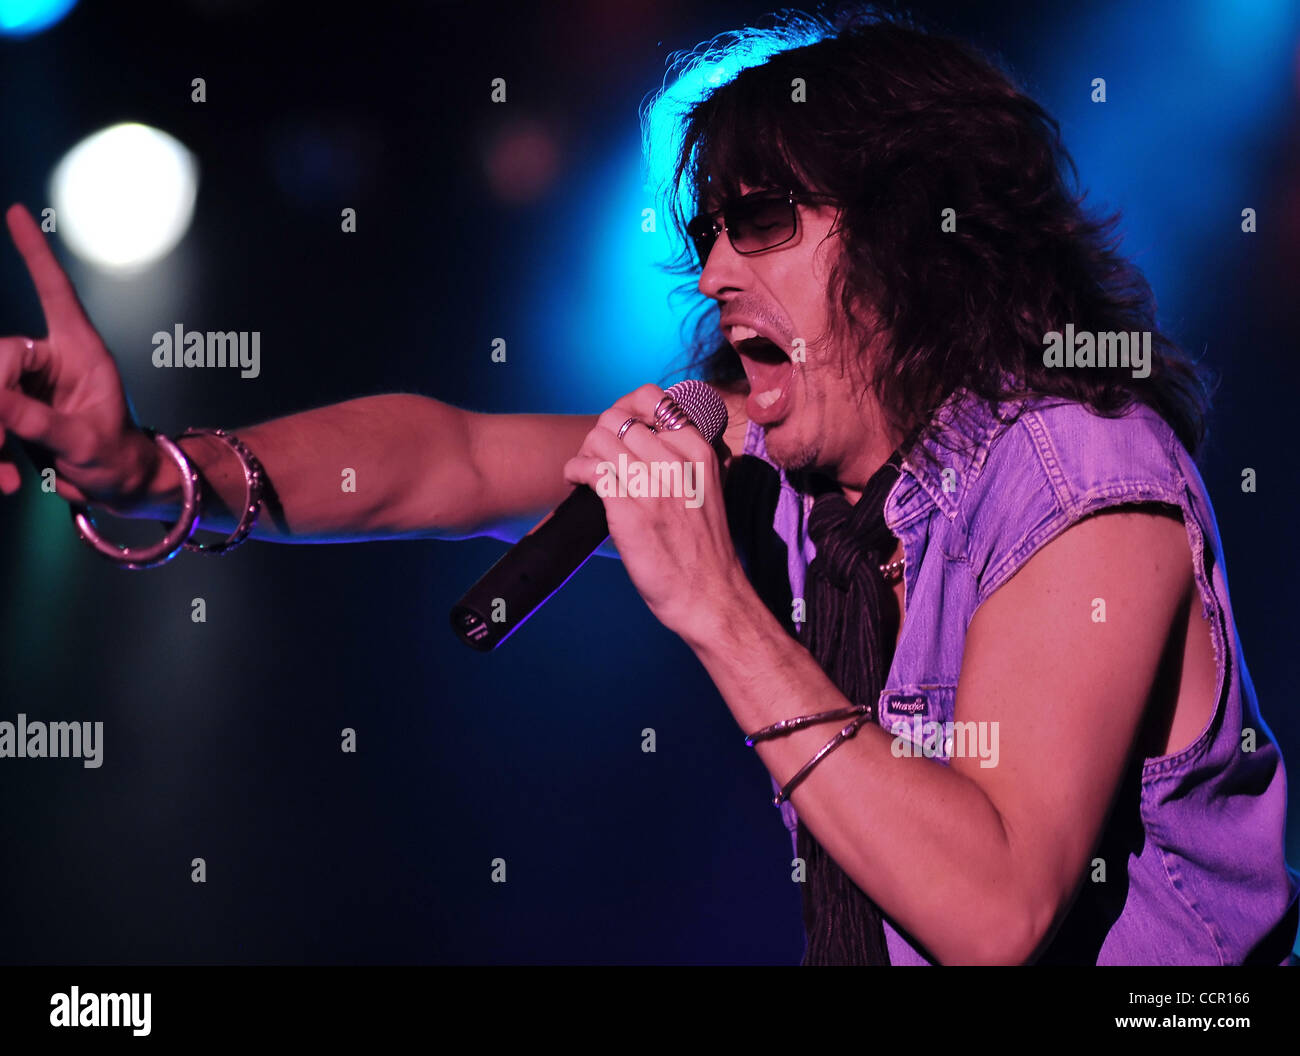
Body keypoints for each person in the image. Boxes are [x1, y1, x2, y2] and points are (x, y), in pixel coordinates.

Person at [1, 8, 1295, 965]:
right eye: (710, 233)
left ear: (919, 246)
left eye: (768, 220)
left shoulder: (1080, 475)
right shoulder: (793, 472)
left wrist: (720, 613)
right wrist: (155, 469)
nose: (720, 270)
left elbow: (999, 911)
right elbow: (446, 460)